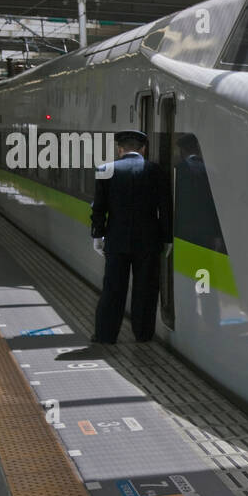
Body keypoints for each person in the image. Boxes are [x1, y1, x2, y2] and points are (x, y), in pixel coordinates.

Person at [90, 129, 171, 343]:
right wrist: (167, 237)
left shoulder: (105, 170)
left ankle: (105, 336)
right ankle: (143, 334)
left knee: (113, 290)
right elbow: (165, 208)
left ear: (120, 149)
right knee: (145, 289)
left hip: (116, 240)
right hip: (148, 242)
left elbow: (99, 208)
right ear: (143, 149)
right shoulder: (155, 171)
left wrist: (98, 235)